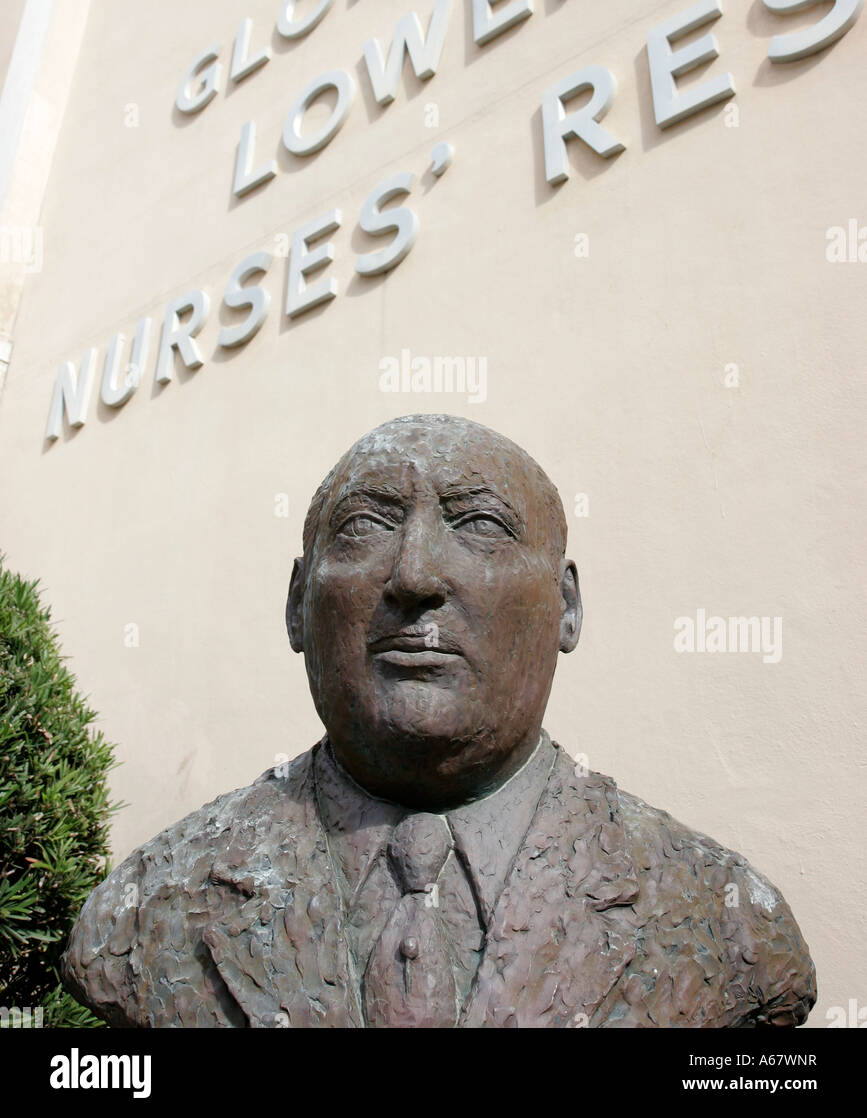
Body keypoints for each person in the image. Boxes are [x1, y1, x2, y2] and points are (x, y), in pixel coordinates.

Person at [63, 414, 815, 1027]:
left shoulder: (720, 917)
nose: (415, 575)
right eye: (366, 526)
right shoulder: (149, 906)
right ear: (297, 605)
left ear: (567, 608)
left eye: (481, 526)